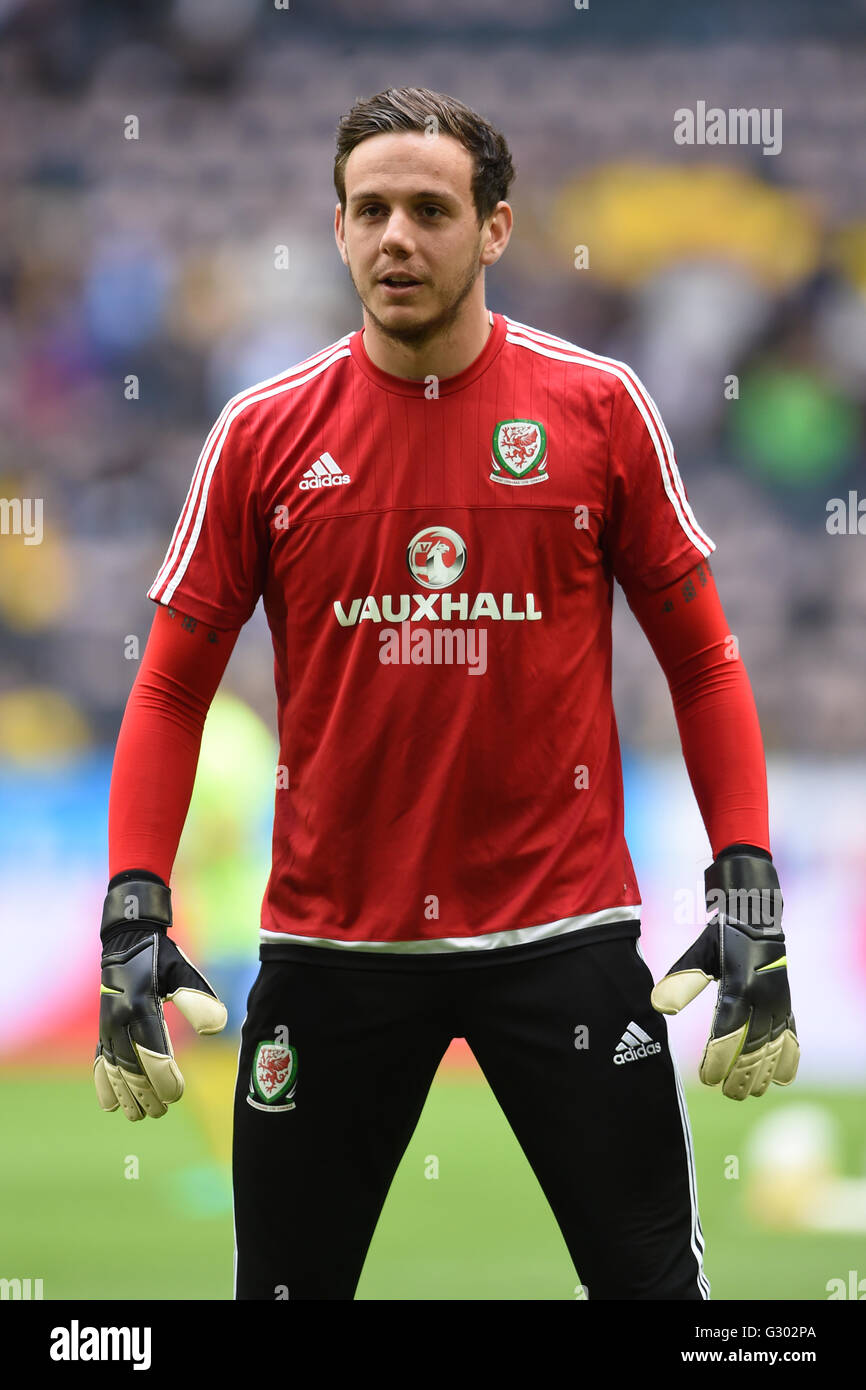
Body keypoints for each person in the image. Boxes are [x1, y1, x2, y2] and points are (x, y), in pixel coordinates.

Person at [94, 86, 799, 1301]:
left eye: (429, 209)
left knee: (658, 1304)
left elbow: (703, 660)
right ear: (335, 231)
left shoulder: (597, 408)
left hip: (562, 940)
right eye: (367, 210)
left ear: (496, 230)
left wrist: (744, 869)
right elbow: (167, 688)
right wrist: (131, 904)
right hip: (332, 949)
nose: (394, 238)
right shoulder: (261, 433)